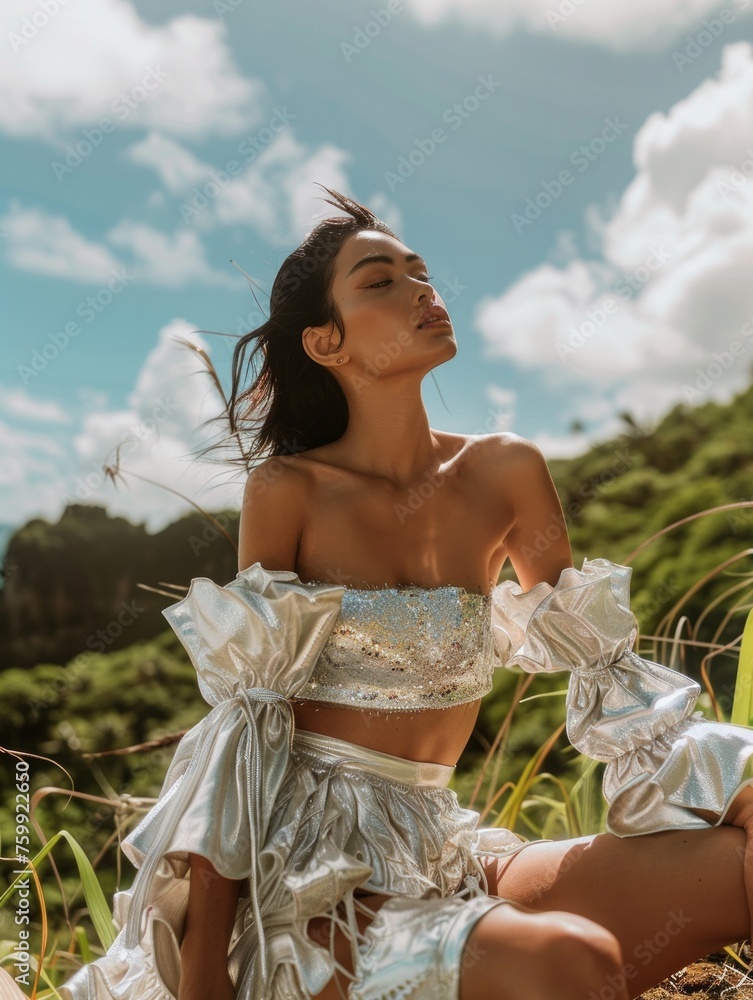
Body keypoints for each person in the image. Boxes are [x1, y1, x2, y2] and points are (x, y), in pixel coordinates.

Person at [54, 187, 753, 1000]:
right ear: (326, 342)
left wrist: (727, 785)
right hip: (315, 882)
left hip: (447, 852)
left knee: (735, 869)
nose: (421, 291)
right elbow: (248, 727)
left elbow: (605, 672)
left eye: (420, 272)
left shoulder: (506, 470)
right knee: (570, 960)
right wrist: (206, 969)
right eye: (380, 281)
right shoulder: (289, 490)